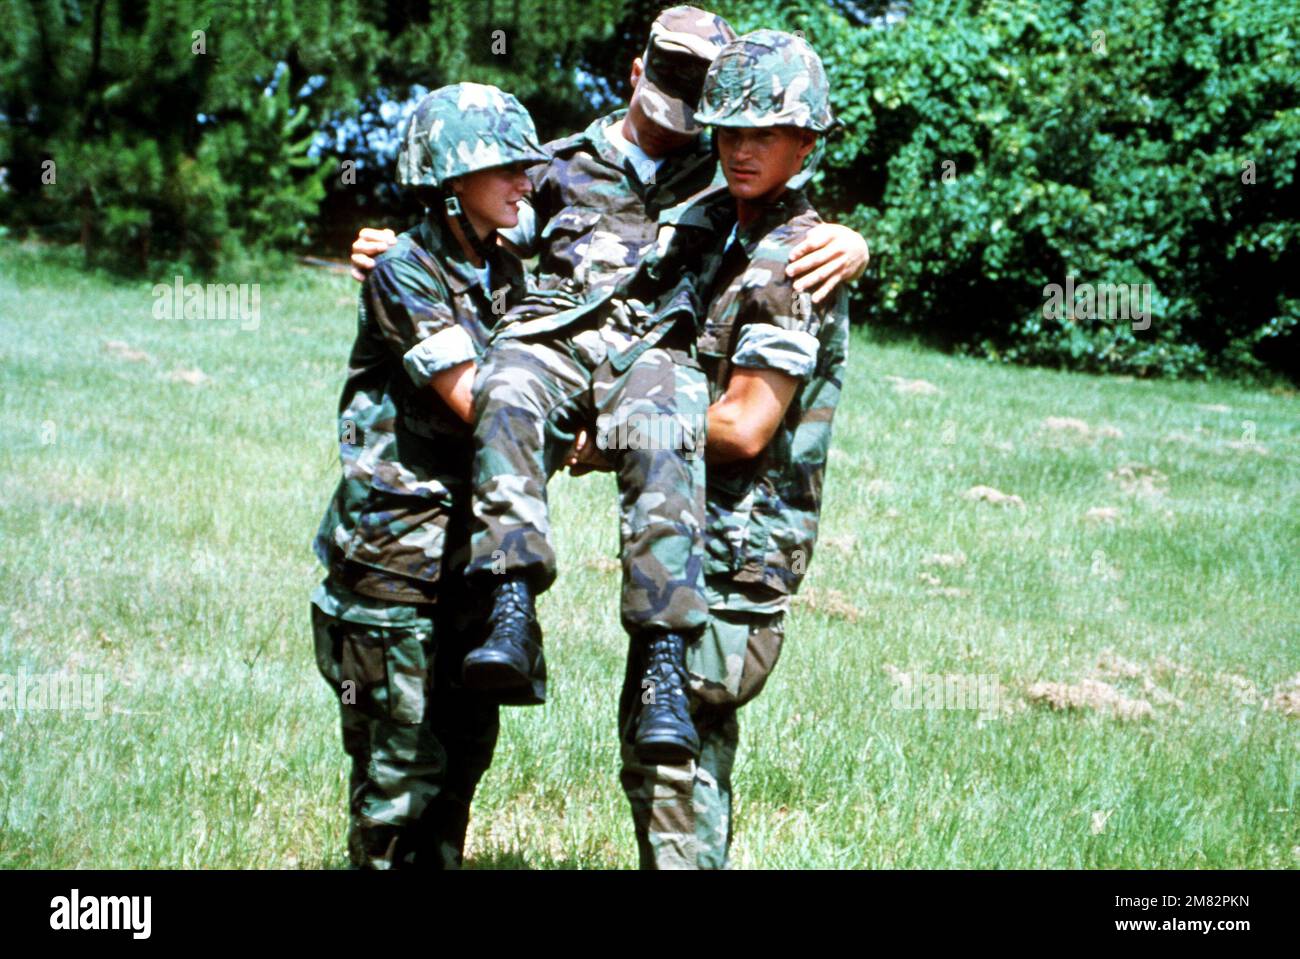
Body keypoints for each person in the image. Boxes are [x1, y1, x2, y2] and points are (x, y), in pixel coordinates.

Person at [610, 29, 853, 869]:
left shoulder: (795, 261)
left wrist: (617, 430)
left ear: (807, 142)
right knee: (663, 753)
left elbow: (747, 425)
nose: (742, 150)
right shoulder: (712, 224)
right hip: (680, 534)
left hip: (737, 549)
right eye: (729, 131)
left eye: (766, 133)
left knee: (676, 758)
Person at [310, 82, 546, 869]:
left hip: (469, 566)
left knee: (462, 763)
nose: (525, 180)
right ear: (453, 177)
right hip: (395, 569)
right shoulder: (405, 272)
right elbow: (478, 399)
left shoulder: (503, 265)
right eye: (508, 166)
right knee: (399, 779)